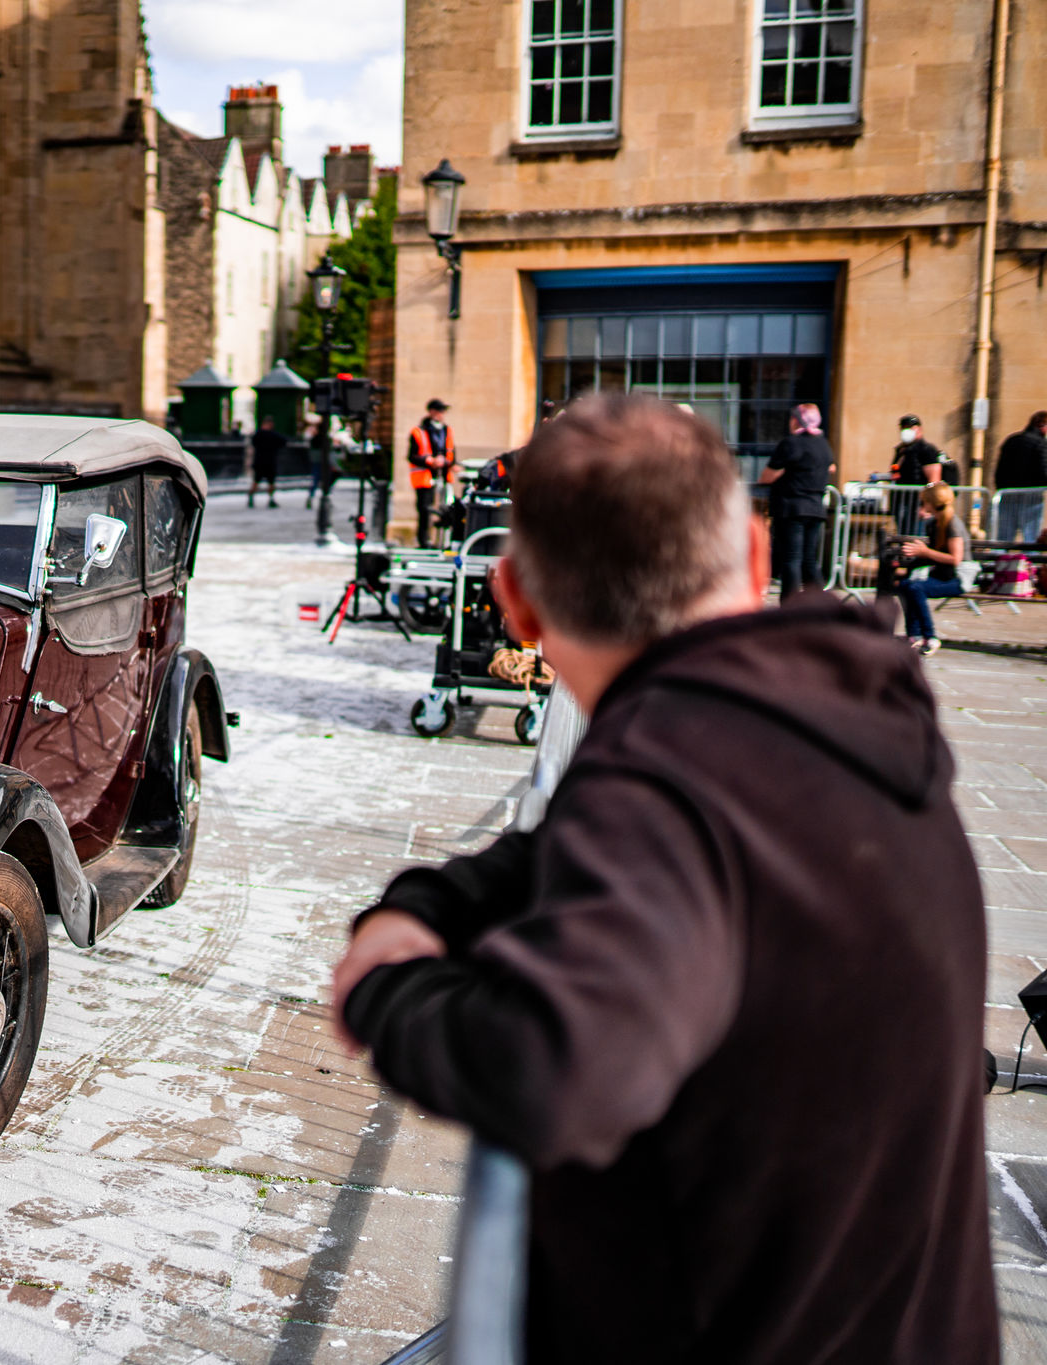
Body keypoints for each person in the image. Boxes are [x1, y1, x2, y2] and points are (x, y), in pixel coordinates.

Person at [331, 392, 994, 1364]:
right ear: (756, 557)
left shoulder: (662, 777)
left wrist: (388, 991)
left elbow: (554, 1067)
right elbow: (585, 846)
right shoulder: (831, 715)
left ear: (514, 601)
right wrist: (433, 902)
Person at [759, 402, 835, 598]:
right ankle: (821, 603)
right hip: (815, 507)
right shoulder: (823, 444)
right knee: (809, 560)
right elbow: (831, 468)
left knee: (792, 559)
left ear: (798, 420)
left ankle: (790, 605)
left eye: (793, 418)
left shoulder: (791, 443)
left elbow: (768, 475)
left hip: (792, 507)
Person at [899, 482, 970, 656]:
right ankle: (914, 636)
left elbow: (955, 559)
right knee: (905, 585)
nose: (923, 505)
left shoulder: (953, 524)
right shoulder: (934, 523)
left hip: (959, 577)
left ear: (932, 503)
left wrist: (925, 551)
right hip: (943, 574)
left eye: (924, 501)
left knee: (916, 588)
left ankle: (930, 637)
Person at [993, 410, 1047, 542]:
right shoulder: (1041, 444)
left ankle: (1000, 556)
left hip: (1007, 494)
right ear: (1042, 426)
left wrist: (1001, 487)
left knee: (1004, 538)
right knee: (1030, 538)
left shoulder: (1011, 440)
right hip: (1031, 496)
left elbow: (999, 469)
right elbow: (1044, 470)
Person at [407, 399, 455, 548]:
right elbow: (412, 456)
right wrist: (429, 460)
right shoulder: (418, 431)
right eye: (439, 411)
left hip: (443, 474)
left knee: (446, 508)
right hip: (424, 476)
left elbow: (451, 452)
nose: (441, 414)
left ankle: (443, 540)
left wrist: (446, 462)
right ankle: (424, 540)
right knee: (425, 508)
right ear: (432, 412)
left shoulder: (446, 430)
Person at [248, 416, 286, 509]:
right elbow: (283, 441)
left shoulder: (260, 434)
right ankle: (256, 498)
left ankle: (265, 499)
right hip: (266, 461)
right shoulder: (269, 434)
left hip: (264, 461)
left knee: (266, 482)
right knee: (260, 481)